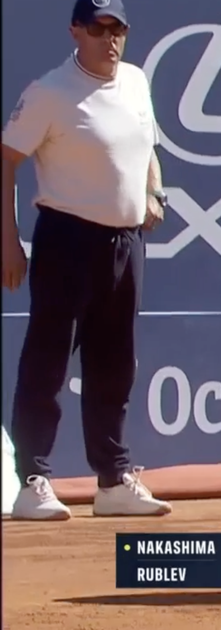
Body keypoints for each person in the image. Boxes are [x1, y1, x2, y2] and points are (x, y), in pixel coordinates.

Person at [0, 0, 171, 520]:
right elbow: (6, 160)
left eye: (118, 29)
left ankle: (114, 480)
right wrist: (9, 242)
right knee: (48, 363)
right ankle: (33, 482)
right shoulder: (49, 92)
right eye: (99, 28)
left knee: (116, 364)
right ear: (76, 30)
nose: (110, 39)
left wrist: (155, 194)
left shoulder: (137, 82)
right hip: (66, 240)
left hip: (126, 243)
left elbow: (148, 145)